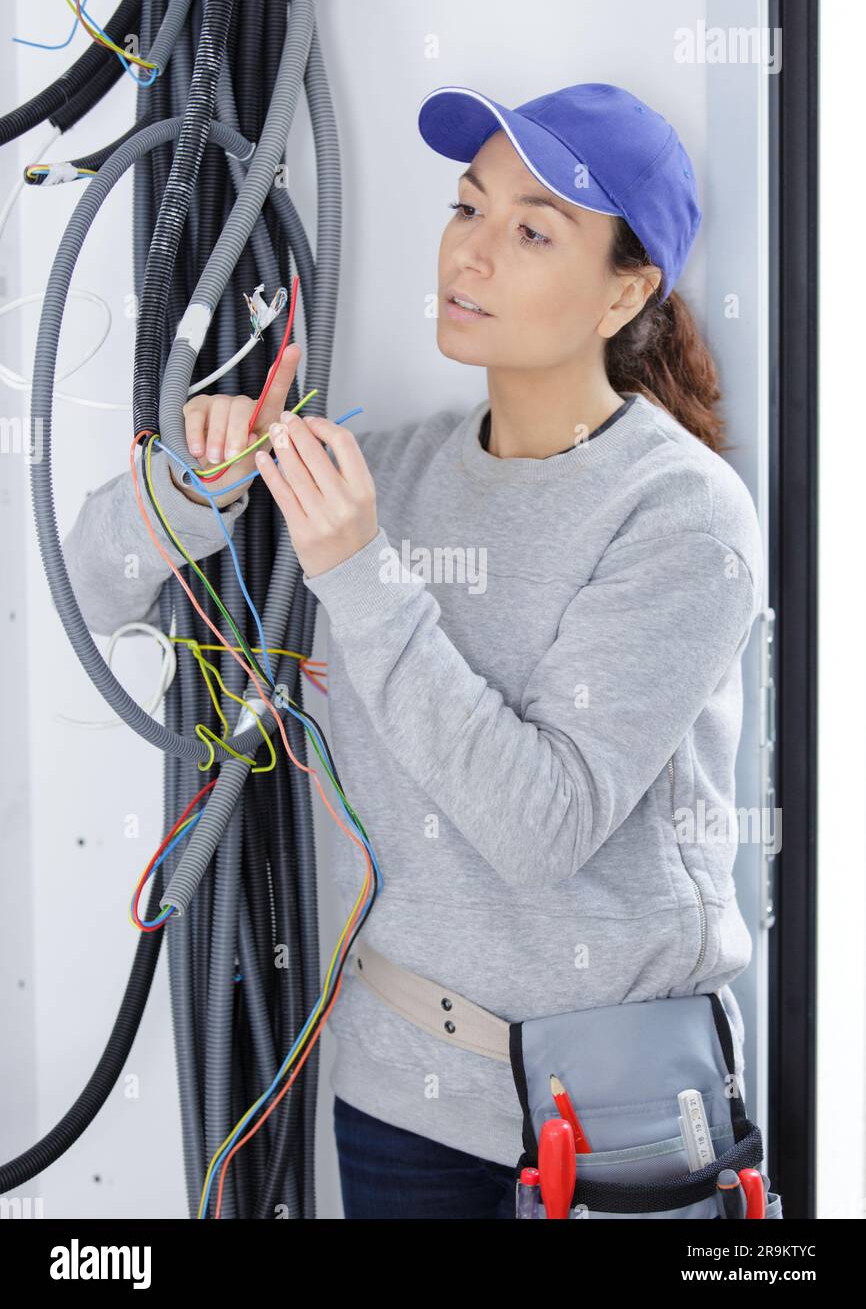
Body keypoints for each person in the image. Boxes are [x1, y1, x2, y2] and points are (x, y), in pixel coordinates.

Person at [64, 82, 763, 1220]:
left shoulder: (681, 517)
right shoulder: (384, 474)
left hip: (612, 1122)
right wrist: (196, 487)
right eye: (466, 207)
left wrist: (358, 570)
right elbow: (94, 583)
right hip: (399, 1103)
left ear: (623, 292)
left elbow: (540, 826)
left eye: (532, 230)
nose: (470, 255)